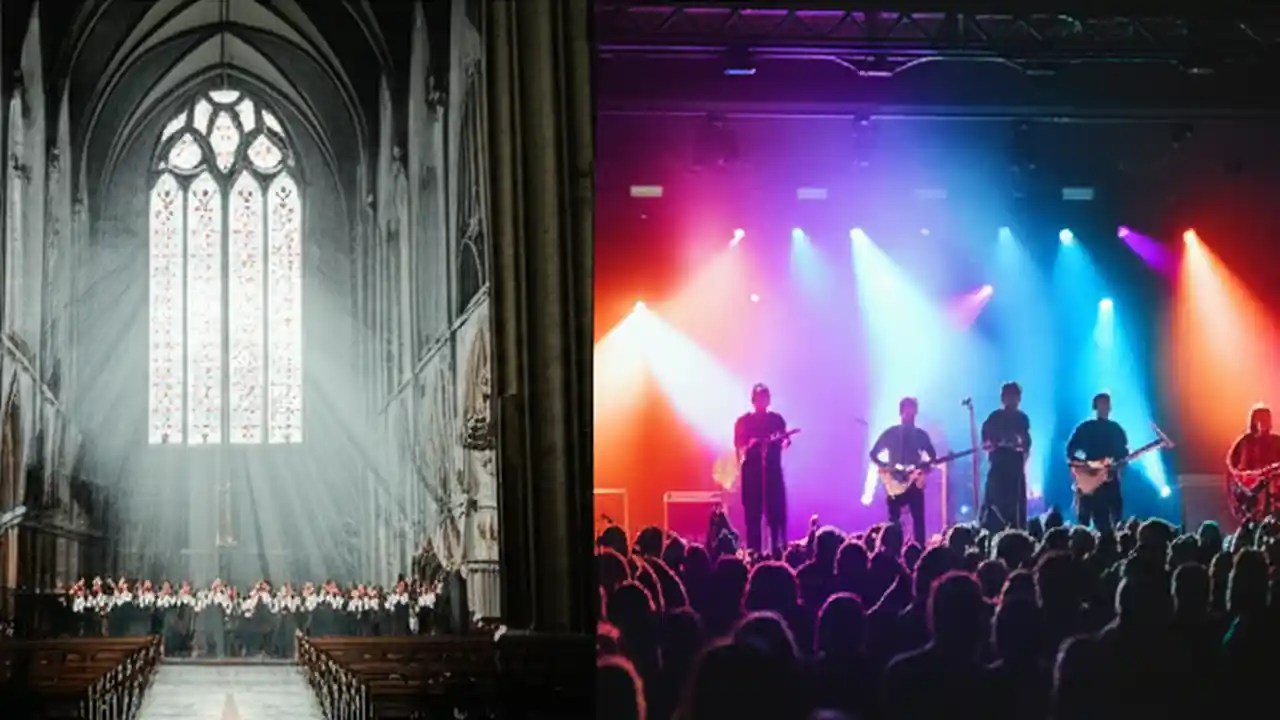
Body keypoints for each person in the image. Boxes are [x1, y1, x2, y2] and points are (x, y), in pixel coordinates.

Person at [733, 383, 792, 555]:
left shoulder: (776, 419)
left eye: (765, 397)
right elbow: (738, 444)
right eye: (759, 397)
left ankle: (777, 552)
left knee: (776, 516)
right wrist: (751, 443)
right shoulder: (744, 421)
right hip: (752, 476)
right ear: (753, 400)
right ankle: (754, 553)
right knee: (753, 517)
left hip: (772, 474)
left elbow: (786, 441)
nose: (762, 401)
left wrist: (781, 439)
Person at [870, 397, 936, 546]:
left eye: (912, 413)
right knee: (894, 521)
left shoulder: (921, 435)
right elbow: (873, 454)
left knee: (918, 518)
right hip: (894, 482)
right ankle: (893, 548)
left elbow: (933, 457)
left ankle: (918, 549)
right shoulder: (891, 433)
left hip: (913, 481)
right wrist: (885, 467)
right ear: (900, 412)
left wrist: (926, 467)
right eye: (907, 412)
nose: (909, 416)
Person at [1066, 392, 1128, 533]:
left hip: (1110, 479)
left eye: (1106, 404)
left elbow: (1123, 454)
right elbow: (1071, 450)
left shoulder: (1116, 430)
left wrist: (1119, 463)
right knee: (1085, 517)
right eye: (1101, 404)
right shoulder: (1086, 428)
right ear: (1095, 407)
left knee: (1115, 515)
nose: (1104, 407)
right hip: (1090, 479)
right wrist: (1086, 466)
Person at [981, 382, 1031, 530]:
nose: (1012, 400)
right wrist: (994, 443)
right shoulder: (994, 418)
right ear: (1003, 398)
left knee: (1016, 508)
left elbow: (1026, 443)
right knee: (993, 504)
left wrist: (1019, 444)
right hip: (998, 468)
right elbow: (985, 440)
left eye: (1015, 397)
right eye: (1009, 397)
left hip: (1015, 470)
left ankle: (1018, 535)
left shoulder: (1022, 419)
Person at [1225, 403, 1280, 520]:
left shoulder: (1276, 442)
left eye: (1266, 419)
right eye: (1260, 419)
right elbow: (1232, 472)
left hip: (1272, 497)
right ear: (1254, 421)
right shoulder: (1244, 442)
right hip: (1249, 495)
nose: (1264, 422)